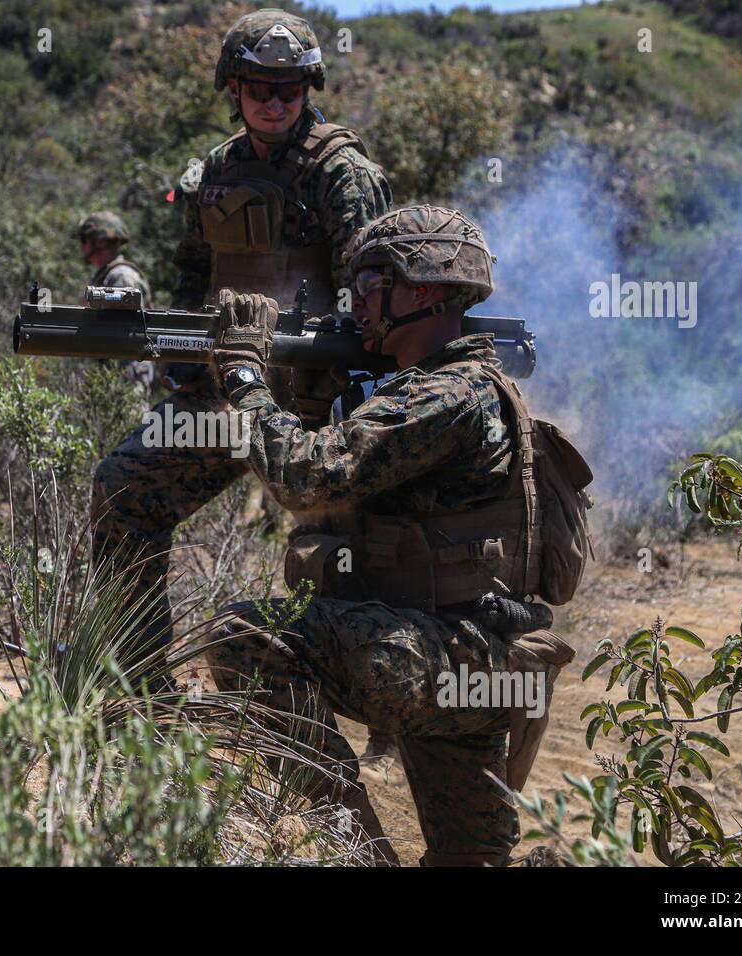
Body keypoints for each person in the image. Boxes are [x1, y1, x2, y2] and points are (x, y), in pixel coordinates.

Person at [200, 205, 580, 867]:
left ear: (425, 289)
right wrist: (313, 402)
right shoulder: (467, 388)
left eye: (373, 283)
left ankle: (356, 855)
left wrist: (244, 379)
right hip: (474, 663)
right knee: (472, 859)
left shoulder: (445, 394)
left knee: (244, 638)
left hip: (441, 658)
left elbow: (305, 478)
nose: (359, 302)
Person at [91, 8, 392, 655]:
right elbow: (191, 277)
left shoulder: (343, 174)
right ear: (233, 87)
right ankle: (137, 691)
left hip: (319, 409)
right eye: (259, 88)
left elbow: (375, 297)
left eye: (290, 89)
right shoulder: (214, 174)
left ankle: (356, 706)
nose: (275, 102)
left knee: (348, 567)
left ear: (310, 88)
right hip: (225, 398)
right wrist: (174, 352)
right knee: (124, 491)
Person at [73, 211, 154, 397]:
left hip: (127, 370)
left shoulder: (122, 277)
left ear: (100, 242)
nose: (82, 246)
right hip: (112, 369)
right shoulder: (107, 276)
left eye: (84, 240)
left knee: (131, 424)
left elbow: (127, 329)